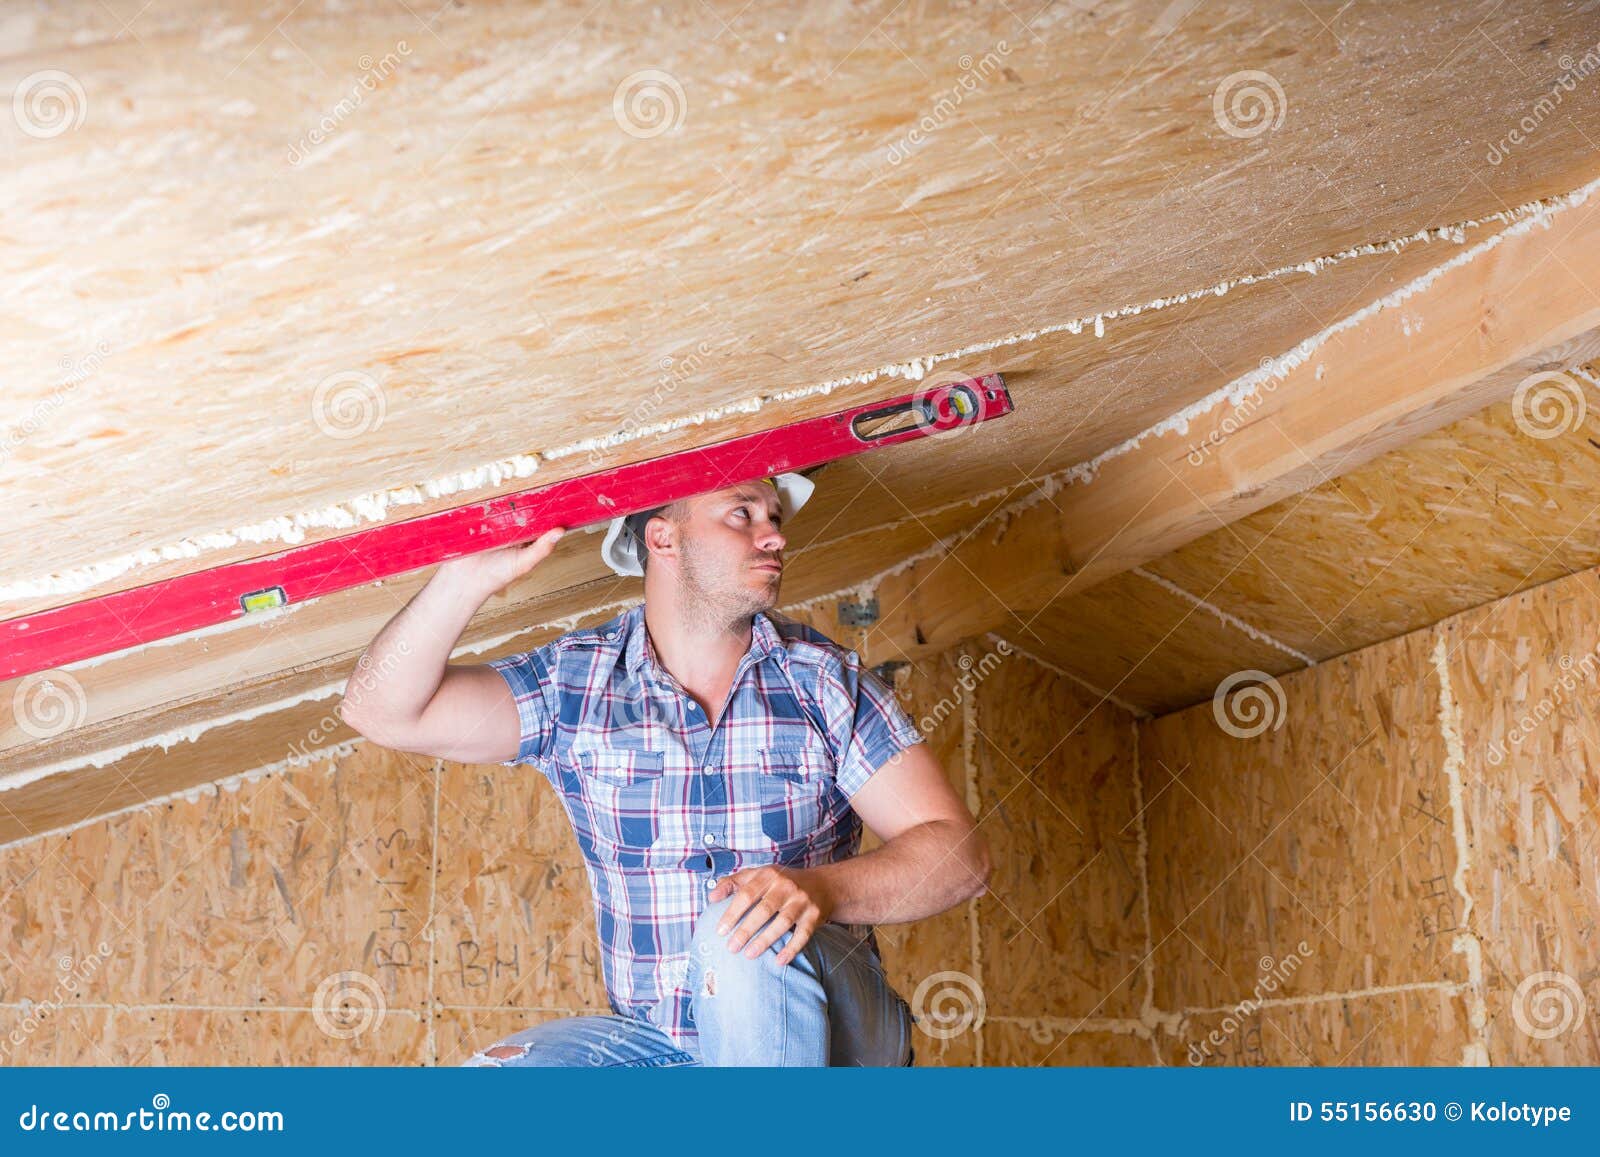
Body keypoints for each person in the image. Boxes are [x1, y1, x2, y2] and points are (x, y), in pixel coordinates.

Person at [338, 472, 992, 1066]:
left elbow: (959, 856)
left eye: (773, 517)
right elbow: (382, 711)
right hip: (663, 1048)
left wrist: (819, 890)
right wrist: (461, 580)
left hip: (837, 1038)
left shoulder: (822, 683)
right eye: (743, 514)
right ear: (663, 537)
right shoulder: (579, 683)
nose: (774, 535)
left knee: (740, 925)